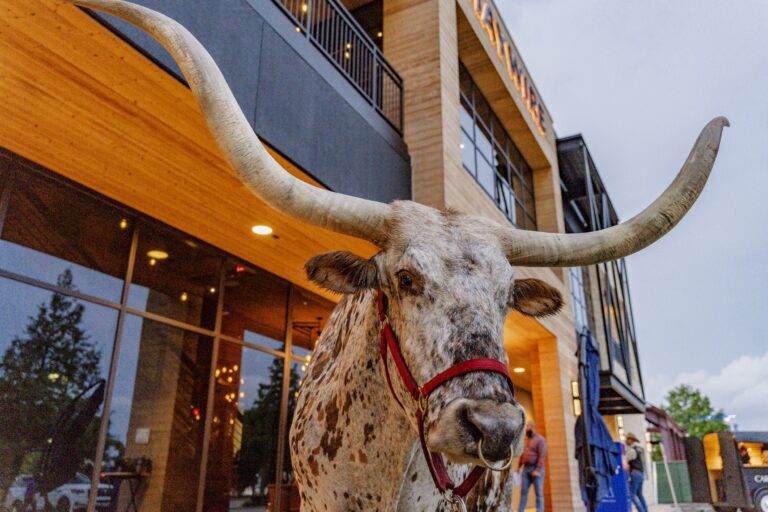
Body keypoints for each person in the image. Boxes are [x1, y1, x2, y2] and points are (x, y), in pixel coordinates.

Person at [517, 421, 547, 512]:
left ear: (534, 427)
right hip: (526, 468)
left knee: (539, 493)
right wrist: (519, 466)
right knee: (523, 492)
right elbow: (522, 454)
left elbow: (542, 455)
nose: (527, 428)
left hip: (536, 469)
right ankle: (520, 510)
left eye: (529, 426)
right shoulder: (526, 439)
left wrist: (537, 470)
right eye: (526, 426)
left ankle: (540, 510)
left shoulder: (540, 439)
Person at [625, 432, 648, 512]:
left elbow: (624, 461)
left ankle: (641, 510)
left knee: (632, 494)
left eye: (627, 439)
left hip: (635, 474)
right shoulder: (638, 449)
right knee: (639, 494)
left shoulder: (631, 451)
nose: (626, 441)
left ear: (631, 440)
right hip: (640, 474)